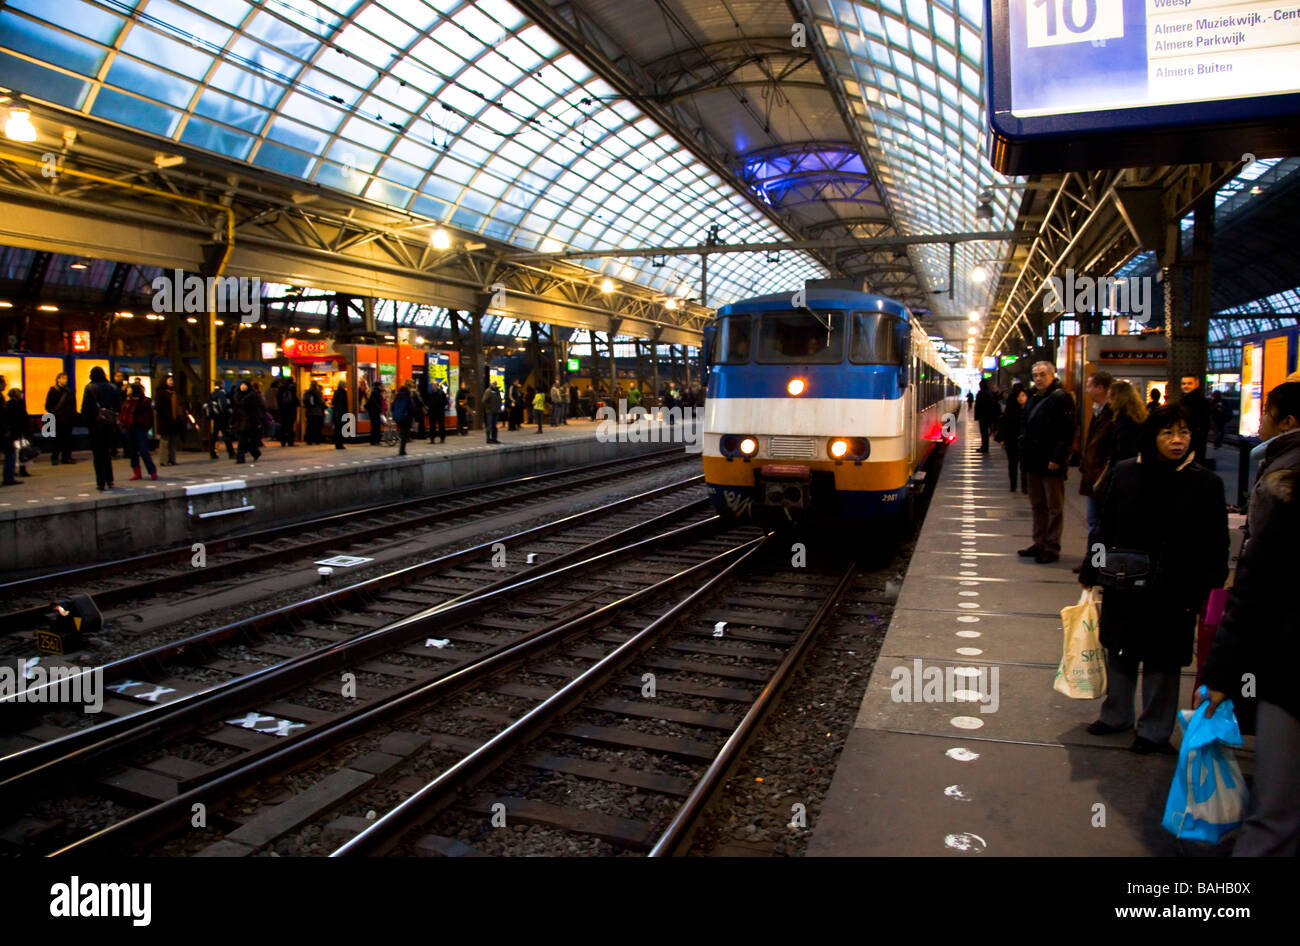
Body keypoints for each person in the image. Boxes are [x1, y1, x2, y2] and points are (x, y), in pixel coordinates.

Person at [1080, 403, 1228, 754]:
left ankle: (1154, 730)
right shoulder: (1126, 472)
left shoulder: (1205, 482)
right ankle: (1116, 715)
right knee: (1119, 649)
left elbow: (1216, 540)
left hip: (1175, 588)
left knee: (1163, 659)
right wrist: (1092, 568)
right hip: (1124, 581)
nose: (1178, 441)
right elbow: (1105, 527)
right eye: (1168, 433)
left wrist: (1210, 585)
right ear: (1152, 436)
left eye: (1184, 433)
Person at [1201, 382, 1300, 855]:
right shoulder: (1283, 480)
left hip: (1287, 666)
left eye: (1267, 412)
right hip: (1285, 664)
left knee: (1276, 811)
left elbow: (1255, 586)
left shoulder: (1281, 488)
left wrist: (1220, 672)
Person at [1018, 361, 1074, 564]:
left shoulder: (1061, 398)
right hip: (1033, 460)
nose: (1038, 378)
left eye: (1042, 374)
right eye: (1035, 375)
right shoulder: (1033, 396)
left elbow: (1066, 432)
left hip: (1050, 462)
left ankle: (1052, 547)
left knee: (1054, 507)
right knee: (1038, 504)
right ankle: (1039, 542)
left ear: (1052, 375)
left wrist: (1057, 458)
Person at [1075, 371, 1115, 573]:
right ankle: (1094, 562)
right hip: (1096, 476)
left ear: (1101, 387)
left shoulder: (1111, 415)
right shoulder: (1101, 411)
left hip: (1101, 479)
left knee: (1097, 525)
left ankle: (1096, 565)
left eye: (1090, 385)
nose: (1087, 389)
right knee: (1096, 524)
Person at [80, 365, 120, 491]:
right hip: (109, 424)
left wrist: (86, 423)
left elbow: (85, 409)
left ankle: (101, 482)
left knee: (98, 454)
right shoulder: (113, 387)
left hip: (95, 425)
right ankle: (110, 480)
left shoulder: (90, 388)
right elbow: (118, 405)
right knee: (107, 453)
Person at [120, 381, 158, 481]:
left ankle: (152, 472)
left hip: (140, 429)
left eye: (129, 389)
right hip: (129, 428)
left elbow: (149, 417)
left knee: (143, 451)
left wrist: (146, 427)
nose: (127, 390)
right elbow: (123, 414)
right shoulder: (127, 401)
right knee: (132, 451)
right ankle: (137, 473)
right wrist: (123, 425)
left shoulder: (144, 402)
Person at [994, 382, 1027, 492]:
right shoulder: (1011, 409)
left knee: (1024, 464)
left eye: (1023, 395)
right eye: (1019, 396)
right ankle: (1013, 485)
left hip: (1026, 442)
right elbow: (1004, 423)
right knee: (1013, 463)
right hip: (1011, 440)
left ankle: (1024, 486)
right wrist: (1003, 439)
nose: (1021, 398)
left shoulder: (1030, 410)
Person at [1177, 373, 1210, 465]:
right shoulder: (1187, 399)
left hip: (1193, 440)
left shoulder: (1197, 401)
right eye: (1183, 384)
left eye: (1189, 383)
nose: (1186, 386)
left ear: (1197, 384)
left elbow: (1202, 423)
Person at [44, 372, 76, 465]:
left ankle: (66, 457)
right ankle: (55, 457)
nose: (65, 380)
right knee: (57, 440)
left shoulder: (69, 391)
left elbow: (73, 405)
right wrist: (55, 413)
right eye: (63, 378)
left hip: (67, 420)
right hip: (57, 419)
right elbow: (48, 405)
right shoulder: (53, 391)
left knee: (67, 439)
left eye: (66, 378)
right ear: (58, 379)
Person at [155, 376, 183, 466]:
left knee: (172, 441)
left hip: (173, 421)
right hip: (165, 421)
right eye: (170, 380)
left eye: (172, 380)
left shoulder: (173, 393)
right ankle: (164, 460)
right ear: (165, 381)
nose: (172, 382)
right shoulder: (161, 393)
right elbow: (158, 407)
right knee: (165, 442)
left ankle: (172, 459)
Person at [236, 380, 265, 463]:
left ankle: (241, 457)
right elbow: (262, 407)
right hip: (248, 420)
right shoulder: (254, 395)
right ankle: (255, 453)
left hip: (246, 421)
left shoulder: (239, 395)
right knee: (245, 439)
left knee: (242, 439)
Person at [205, 382, 236, 459]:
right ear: (222, 385)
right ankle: (231, 453)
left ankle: (212, 452)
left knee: (214, 436)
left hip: (215, 418)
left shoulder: (213, 393)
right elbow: (224, 406)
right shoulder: (222, 393)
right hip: (222, 417)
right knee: (226, 435)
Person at [6, 388, 30, 478]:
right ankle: (22, 469)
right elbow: (24, 417)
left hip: (14, 431)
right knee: (21, 451)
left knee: (16, 451)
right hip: (19, 430)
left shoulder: (8, 404)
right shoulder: (20, 404)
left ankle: (14, 469)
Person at [974, 377, 999, 453]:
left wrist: (977, 416)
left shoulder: (982, 393)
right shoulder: (989, 393)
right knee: (985, 433)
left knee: (984, 432)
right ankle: (984, 446)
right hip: (987, 416)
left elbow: (979, 406)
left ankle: (984, 447)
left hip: (983, 417)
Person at [391, 382, 414, 456]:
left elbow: (392, 408)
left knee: (402, 432)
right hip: (406, 419)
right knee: (404, 434)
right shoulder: (408, 398)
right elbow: (411, 409)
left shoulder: (397, 398)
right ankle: (402, 450)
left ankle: (402, 449)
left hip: (398, 418)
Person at [277, 379, 300, 447]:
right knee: (290, 426)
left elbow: (278, 400)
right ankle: (290, 441)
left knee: (283, 426)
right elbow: (295, 400)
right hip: (291, 411)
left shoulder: (281, 389)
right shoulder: (292, 389)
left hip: (282, 411)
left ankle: (283, 441)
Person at [0, 375, 14, 486]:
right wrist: (6, 429)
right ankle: (8, 478)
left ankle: (8, 477)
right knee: (10, 452)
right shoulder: (0, 398)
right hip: (2, 431)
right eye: (4, 383)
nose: (6, 385)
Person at [302, 381, 325, 445]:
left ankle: (309, 440)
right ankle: (317, 440)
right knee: (317, 426)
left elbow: (304, 401)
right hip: (317, 412)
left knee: (309, 426)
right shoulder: (317, 392)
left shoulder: (307, 392)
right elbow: (320, 401)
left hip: (309, 412)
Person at [332, 381, 349, 450]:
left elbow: (333, 402)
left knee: (337, 429)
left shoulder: (336, 392)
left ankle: (337, 444)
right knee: (341, 429)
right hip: (341, 413)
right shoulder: (343, 392)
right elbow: (344, 404)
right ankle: (340, 444)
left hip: (337, 413)